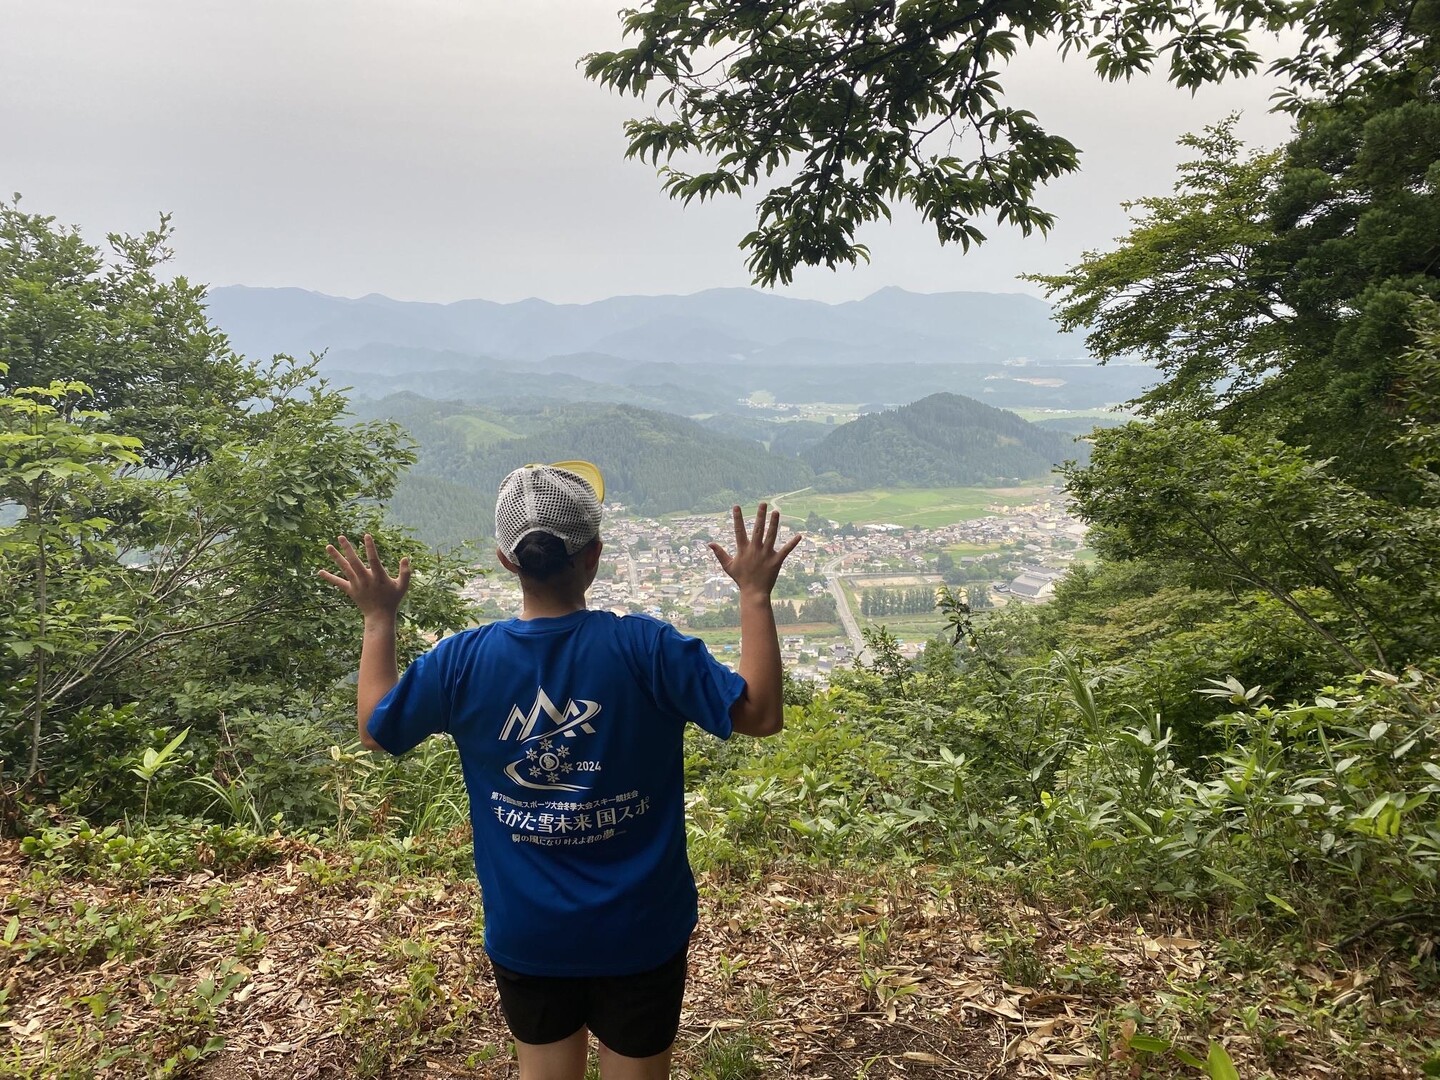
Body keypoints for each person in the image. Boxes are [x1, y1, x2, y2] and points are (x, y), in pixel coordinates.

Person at [319, 461, 800, 1080]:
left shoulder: (461, 662)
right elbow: (759, 714)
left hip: (530, 928)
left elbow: (375, 732)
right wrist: (754, 593)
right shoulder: (646, 648)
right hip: (641, 927)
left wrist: (378, 617)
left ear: (506, 560)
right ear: (593, 555)